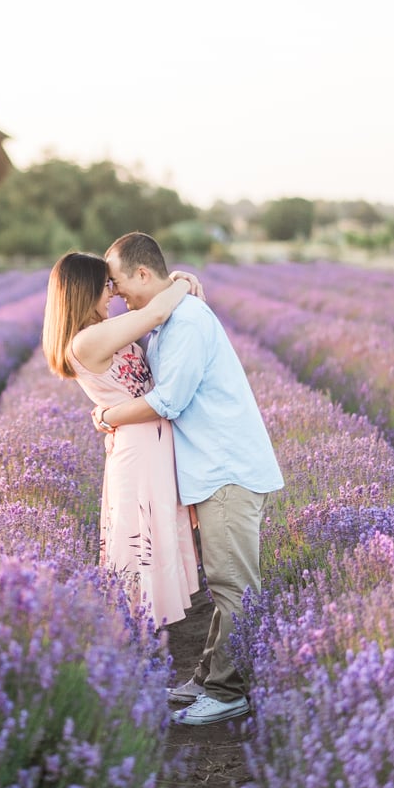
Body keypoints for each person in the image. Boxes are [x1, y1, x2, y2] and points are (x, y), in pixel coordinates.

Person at [92, 232, 284, 727]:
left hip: (226, 469)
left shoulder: (187, 320)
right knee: (225, 582)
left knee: (234, 585)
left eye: (117, 283)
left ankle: (229, 692)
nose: (115, 296)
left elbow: (170, 400)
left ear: (141, 274)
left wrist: (110, 414)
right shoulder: (169, 319)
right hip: (209, 470)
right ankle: (210, 675)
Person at [42, 250, 202, 631]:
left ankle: (145, 648)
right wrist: (179, 283)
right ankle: (136, 649)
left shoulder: (98, 333)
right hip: (139, 450)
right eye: (104, 285)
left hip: (150, 444)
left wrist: (172, 280)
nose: (111, 293)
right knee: (138, 548)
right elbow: (155, 314)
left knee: (152, 540)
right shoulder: (85, 341)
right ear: (83, 291)